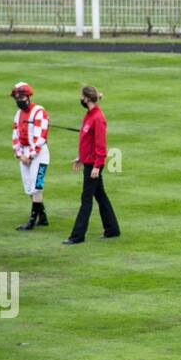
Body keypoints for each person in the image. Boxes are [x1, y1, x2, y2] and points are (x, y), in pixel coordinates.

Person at [65, 85, 121, 245]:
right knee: (100, 195)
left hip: (94, 164)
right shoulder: (89, 115)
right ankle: (112, 229)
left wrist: (97, 166)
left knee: (86, 199)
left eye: (82, 96)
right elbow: (87, 141)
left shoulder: (98, 118)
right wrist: (80, 158)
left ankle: (77, 236)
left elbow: (101, 145)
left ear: (87, 98)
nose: (80, 99)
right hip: (89, 161)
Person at [9, 81, 50, 231]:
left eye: (20, 97)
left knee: (37, 186)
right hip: (25, 153)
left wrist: (30, 156)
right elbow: (15, 136)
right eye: (16, 98)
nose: (18, 101)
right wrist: (20, 154)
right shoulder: (18, 115)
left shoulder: (39, 112)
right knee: (28, 187)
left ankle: (32, 221)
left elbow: (40, 138)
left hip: (40, 155)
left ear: (28, 96)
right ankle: (43, 216)